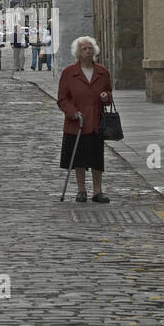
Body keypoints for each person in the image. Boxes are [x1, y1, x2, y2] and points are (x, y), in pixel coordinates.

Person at [57, 35, 113, 203]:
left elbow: (109, 95)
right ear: (78, 53)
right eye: (84, 49)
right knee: (78, 159)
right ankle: (81, 190)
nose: (88, 51)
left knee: (97, 158)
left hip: (96, 122)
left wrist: (106, 96)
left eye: (90, 48)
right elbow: (62, 99)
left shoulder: (103, 72)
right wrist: (72, 112)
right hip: (77, 123)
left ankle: (98, 191)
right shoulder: (69, 73)